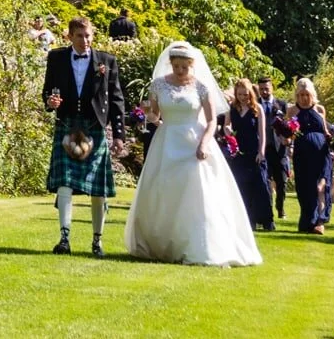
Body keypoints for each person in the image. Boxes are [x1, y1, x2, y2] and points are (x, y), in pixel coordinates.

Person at [122, 41, 263, 267]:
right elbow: (155, 116)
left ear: (191, 65)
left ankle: (196, 244)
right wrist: (147, 112)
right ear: (171, 64)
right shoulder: (158, 85)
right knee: (165, 190)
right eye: (176, 66)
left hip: (193, 141)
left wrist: (204, 145)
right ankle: (164, 242)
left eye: (184, 67)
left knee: (196, 192)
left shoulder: (201, 87)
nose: (179, 71)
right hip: (166, 140)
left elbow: (210, 122)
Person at [40, 16, 126, 256]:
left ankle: (97, 241)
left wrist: (119, 135)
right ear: (70, 37)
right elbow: (47, 90)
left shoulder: (107, 61)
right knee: (65, 182)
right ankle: (64, 238)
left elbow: (117, 99)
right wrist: (50, 101)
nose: (85, 40)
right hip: (67, 123)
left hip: (94, 126)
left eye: (88, 35)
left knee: (98, 189)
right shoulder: (56, 58)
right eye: (80, 36)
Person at [225, 78, 275, 231]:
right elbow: (227, 124)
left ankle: (267, 220)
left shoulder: (257, 108)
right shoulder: (232, 109)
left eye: (245, 94)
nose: (242, 97)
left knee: (261, 185)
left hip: (255, 151)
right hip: (239, 152)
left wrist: (261, 151)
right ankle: (248, 219)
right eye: (239, 94)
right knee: (243, 186)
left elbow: (262, 132)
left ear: (250, 93)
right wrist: (228, 130)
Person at [290, 77, 334, 234]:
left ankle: (320, 221)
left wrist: (333, 143)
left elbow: (326, 131)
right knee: (304, 188)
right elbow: (288, 134)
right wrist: (287, 142)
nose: (303, 98)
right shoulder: (292, 110)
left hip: (320, 153)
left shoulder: (320, 109)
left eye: (306, 95)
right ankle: (308, 220)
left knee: (320, 186)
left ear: (312, 94)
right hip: (302, 154)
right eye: (300, 95)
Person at [256, 76, 291, 221]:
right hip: (264, 148)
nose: (264, 91)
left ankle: (280, 207)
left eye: (267, 89)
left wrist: (289, 141)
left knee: (281, 182)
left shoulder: (282, 105)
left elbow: (289, 125)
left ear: (272, 88)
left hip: (280, 149)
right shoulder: (256, 104)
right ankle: (268, 211)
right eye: (262, 89)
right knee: (266, 181)